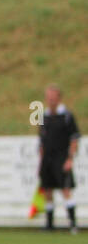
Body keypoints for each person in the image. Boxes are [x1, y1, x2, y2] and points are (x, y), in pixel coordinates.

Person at [38, 84, 79, 233]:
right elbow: (41, 141)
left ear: (59, 98)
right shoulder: (44, 116)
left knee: (65, 189)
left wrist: (70, 159)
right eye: (48, 98)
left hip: (61, 158)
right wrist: (40, 162)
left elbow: (74, 139)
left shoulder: (67, 116)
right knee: (47, 190)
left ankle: (73, 224)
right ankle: (49, 224)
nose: (50, 101)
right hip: (47, 159)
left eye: (53, 98)